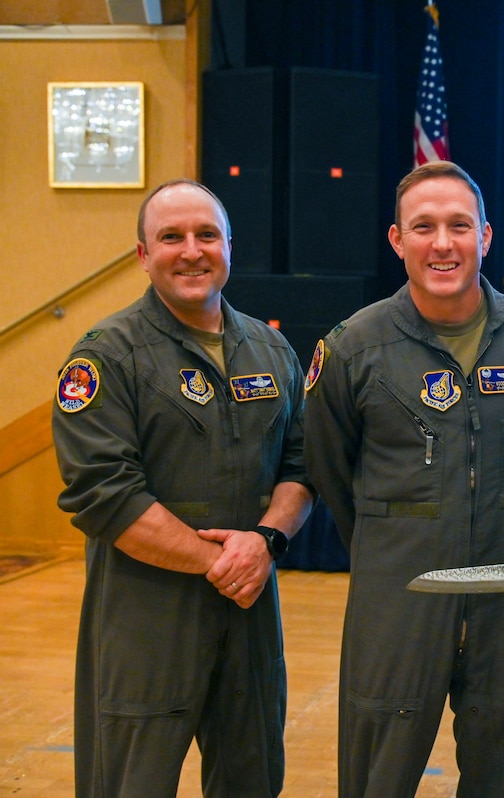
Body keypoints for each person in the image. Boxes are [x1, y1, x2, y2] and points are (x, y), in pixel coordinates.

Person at [302, 160, 504, 797]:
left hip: (503, 600)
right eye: (423, 227)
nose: (442, 243)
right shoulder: (354, 348)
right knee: (378, 778)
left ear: (486, 236)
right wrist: (392, 543)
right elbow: (330, 470)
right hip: (398, 599)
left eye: (459, 226)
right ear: (397, 240)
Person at [52, 179, 314, 797]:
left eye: (206, 235)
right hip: (146, 616)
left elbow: (303, 467)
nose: (191, 251)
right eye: (171, 237)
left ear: (229, 247)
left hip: (249, 611)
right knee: (131, 783)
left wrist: (266, 541)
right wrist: (225, 562)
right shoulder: (105, 358)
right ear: (144, 255)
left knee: (253, 778)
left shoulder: (272, 349)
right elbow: (106, 495)